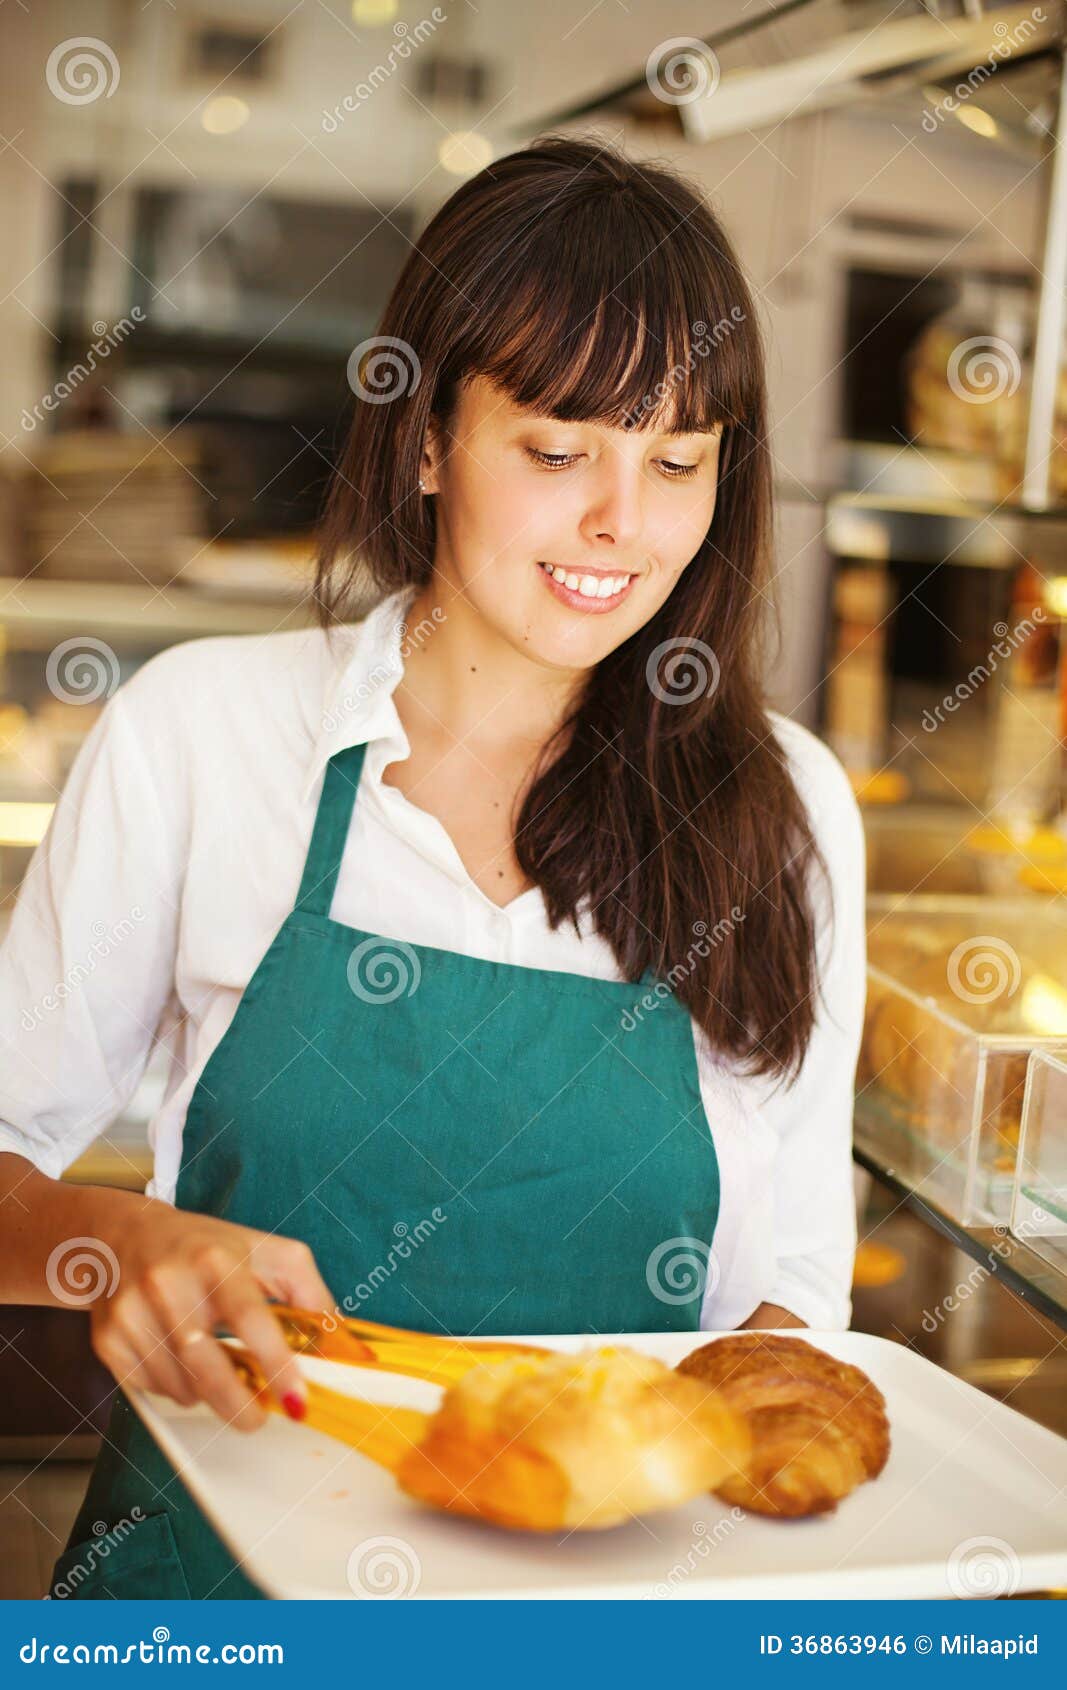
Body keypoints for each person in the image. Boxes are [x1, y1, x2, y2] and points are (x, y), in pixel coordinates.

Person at [0, 135, 865, 1599]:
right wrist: (109, 1238)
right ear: (423, 432)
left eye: (676, 461)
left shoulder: (785, 809)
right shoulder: (201, 736)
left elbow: (787, 1298)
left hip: (609, 1621)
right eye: (556, 449)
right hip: (209, 1596)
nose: (623, 523)